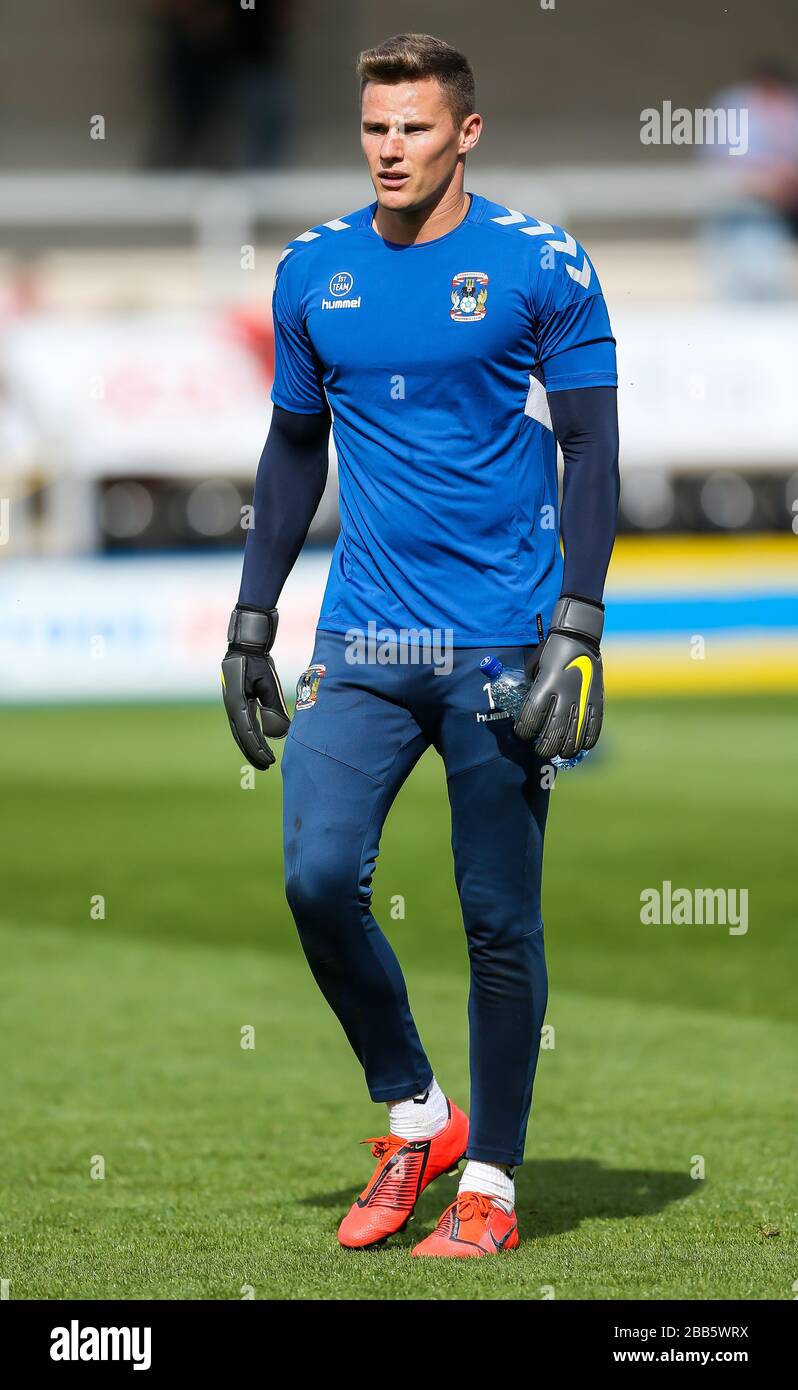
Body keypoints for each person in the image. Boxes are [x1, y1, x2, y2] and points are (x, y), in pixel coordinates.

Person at [222, 32, 619, 1258]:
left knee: (497, 916)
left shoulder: (540, 263)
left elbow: (592, 447)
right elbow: (295, 451)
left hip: (504, 635)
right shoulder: (313, 271)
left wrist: (580, 624)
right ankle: (417, 1110)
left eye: (415, 127)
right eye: (375, 128)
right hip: (366, 636)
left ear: (466, 134)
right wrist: (252, 618)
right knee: (313, 873)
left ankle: (490, 1183)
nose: (391, 148)